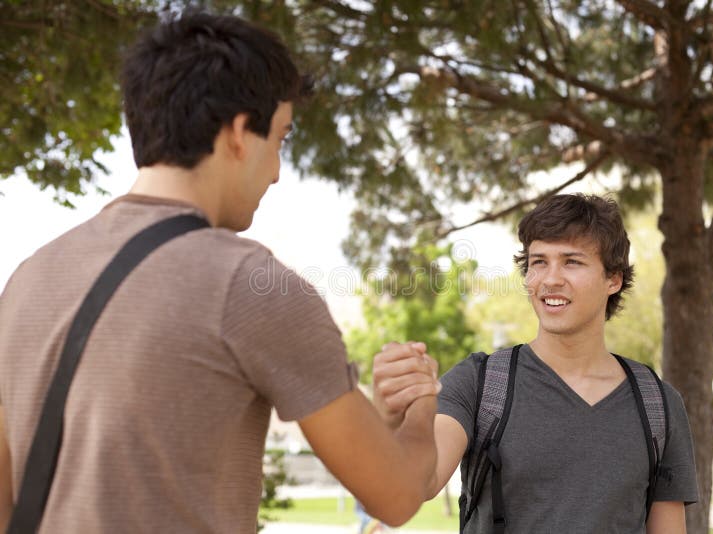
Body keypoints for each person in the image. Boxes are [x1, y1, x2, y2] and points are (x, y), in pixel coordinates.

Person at [0, 12, 440, 532]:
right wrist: (422, 410)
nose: (276, 172)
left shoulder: (28, 278)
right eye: (279, 139)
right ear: (237, 134)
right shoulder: (251, 284)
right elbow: (394, 495)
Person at [373, 194, 699, 533]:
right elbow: (419, 482)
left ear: (613, 279)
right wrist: (391, 420)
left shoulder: (659, 405)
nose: (550, 279)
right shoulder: (480, 382)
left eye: (572, 261)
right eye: (538, 262)